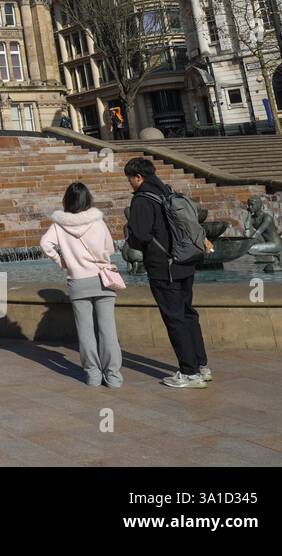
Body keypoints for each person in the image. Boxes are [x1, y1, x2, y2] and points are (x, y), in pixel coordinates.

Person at [123, 157, 211, 389]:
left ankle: (189, 372)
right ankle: (201, 366)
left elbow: (139, 236)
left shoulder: (142, 200)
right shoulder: (168, 192)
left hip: (164, 268)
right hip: (185, 262)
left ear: (138, 177)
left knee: (174, 318)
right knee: (188, 313)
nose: (130, 184)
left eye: (130, 179)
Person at [40, 182, 123, 388]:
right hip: (103, 279)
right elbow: (109, 248)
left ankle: (93, 375)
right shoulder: (98, 222)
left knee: (85, 331)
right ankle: (113, 377)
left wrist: (63, 262)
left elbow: (45, 244)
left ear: (67, 200)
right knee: (108, 330)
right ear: (88, 199)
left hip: (78, 282)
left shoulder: (59, 224)